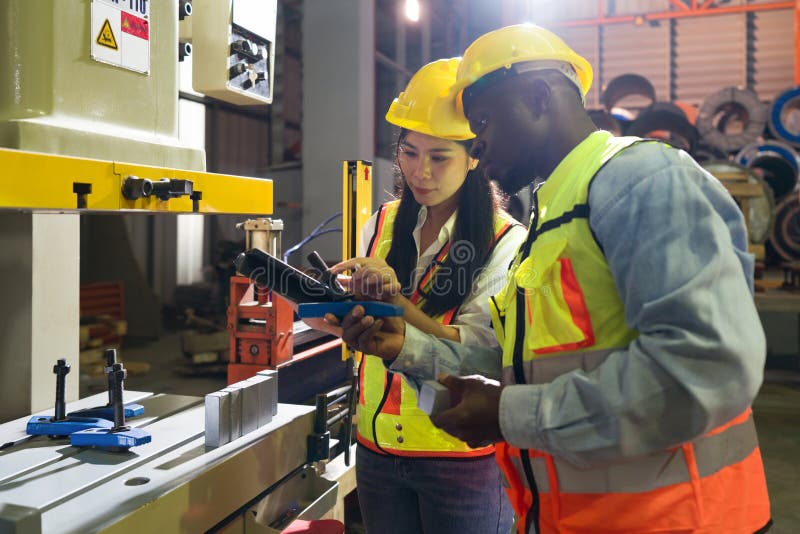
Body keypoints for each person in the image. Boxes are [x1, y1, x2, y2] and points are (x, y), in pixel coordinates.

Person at [332, 25, 772, 534]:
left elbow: (707, 369)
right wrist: (403, 345)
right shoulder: (556, 215)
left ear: (538, 97)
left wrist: (512, 415)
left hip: (677, 519)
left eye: (483, 123)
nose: (480, 143)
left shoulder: (641, 181)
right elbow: (518, 365)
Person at [327, 58, 524, 533]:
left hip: (458, 457)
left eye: (440, 157)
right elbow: (355, 325)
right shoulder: (383, 223)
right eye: (409, 152)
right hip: (377, 452)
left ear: (475, 154)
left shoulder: (504, 240)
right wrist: (333, 309)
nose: (420, 172)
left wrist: (398, 306)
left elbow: (480, 354)